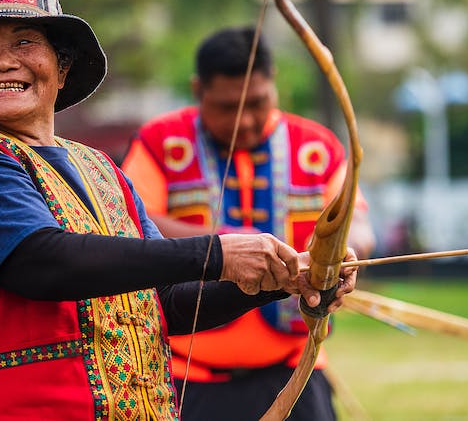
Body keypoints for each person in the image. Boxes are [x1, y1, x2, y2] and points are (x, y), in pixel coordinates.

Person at [0, 0, 359, 420]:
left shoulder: (101, 169)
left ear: (62, 68)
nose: (2, 61)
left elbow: (167, 301)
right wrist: (218, 253)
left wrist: (279, 279)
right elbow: (41, 262)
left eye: (25, 42)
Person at [121, 26, 375, 421]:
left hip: (295, 369)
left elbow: (355, 222)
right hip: (187, 377)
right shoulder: (161, 142)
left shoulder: (316, 146)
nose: (246, 121)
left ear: (273, 83)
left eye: (258, 102)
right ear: (197, 90)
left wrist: (340, 254)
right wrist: (229, 247)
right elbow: (133, 222)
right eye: (227, 107)